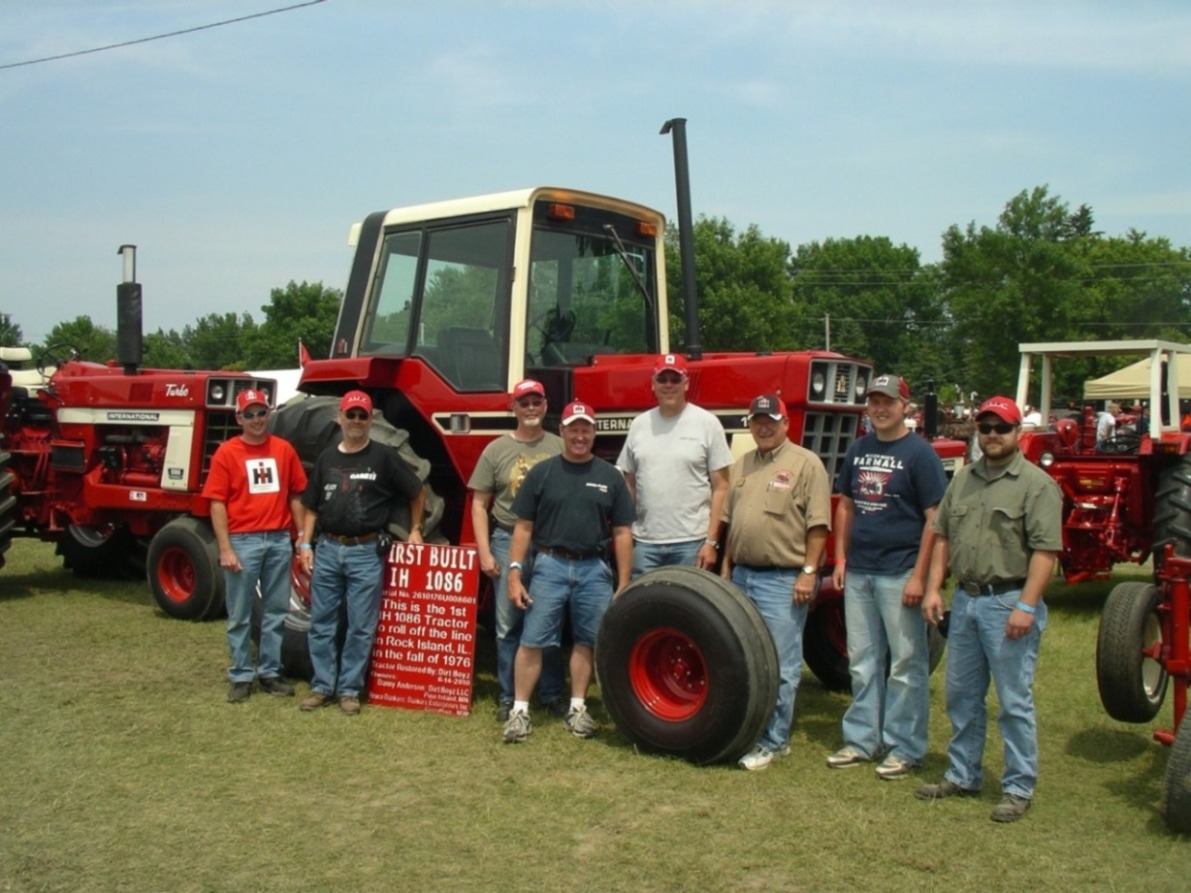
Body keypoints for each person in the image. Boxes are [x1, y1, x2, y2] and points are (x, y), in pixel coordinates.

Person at [917, 396, 1062, 823]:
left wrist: (1026, 605)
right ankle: (963, 774)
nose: (993, 436)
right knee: (962, 695)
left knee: (1013, 701)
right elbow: (942, 535)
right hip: (966, 600)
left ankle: (1018, 787)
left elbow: (1045, 552)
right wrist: (933, 589)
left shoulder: (1036, 485)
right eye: (986, 428)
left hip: (1008, 602)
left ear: (1019, 433)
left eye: (1001, 428)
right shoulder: (963, 480)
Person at [827, 375, 948, 779]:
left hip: (899, 572)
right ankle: (862, 739)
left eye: (888, 402)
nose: (880, 409)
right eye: (874, 402)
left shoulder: (920, 455)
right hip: (859, 571)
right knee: (861, 662)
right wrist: (841, 560)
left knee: (905, 664)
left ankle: (905, 746)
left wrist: (920, 577)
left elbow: (935, 520)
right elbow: (846, 505)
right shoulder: (859, 449)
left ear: (905, 408)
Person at [502, 400, 634, 744]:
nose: (579, 435)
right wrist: (515, 572)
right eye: (573, 429)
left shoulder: (610, 477)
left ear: (594, 432)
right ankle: (519, 712)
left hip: (594, 570)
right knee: (532, 639)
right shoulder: (542, 473)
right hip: (549, 566)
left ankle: (577, 707)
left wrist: (623, 580)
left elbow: (622, 533)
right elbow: (523, 529)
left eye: (585, 429)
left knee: (587, 641)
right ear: (561, 431)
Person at [298, 391, 426, 716]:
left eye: (362, 416)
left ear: (371, 420)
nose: (356, 421)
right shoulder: (327, 459)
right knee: (321, 622)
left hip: (365, 551)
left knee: (360, 625)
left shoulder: (383, 456)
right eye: (350, 415)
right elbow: (311, 506)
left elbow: (416, 491)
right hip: (327, 549)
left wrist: (415, 530)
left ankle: (350, 689)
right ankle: (322, 686)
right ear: (339, 417)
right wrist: (304, 544)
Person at [721, 394, 831, 771]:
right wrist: (725, 569)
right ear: (750, 425)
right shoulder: (743, 465)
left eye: (771, 420)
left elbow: (818, 525)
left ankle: (774, 739)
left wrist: (809, 573)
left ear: (786, 423)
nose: (764, 427)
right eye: (757, 421)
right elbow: (729, 522)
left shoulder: (806, 464)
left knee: (781, 664)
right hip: (742, 575)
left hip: (782, 579)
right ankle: (750, 729)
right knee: (742, 658)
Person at [468, 379, 566, 722]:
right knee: (507, 624)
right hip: (507, 538)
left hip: (549, 543)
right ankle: (509, 696)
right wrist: (484, 552)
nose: (530, 408)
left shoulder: (559, 446)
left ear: (545, 404)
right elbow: (479, 504)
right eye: (523, 402)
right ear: (513, 408)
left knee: (548, 619)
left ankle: (552, 693)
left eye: (536, 401)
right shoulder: (495, 451)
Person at [202, 389, 308, 703]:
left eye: (261, 412)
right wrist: (225, 548)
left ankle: (270, 673)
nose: (256, 419)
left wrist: (301, 535)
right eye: (249, 414)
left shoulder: (283, 450)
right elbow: (217, 503)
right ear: (239, 418)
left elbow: (296, 494)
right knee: (240, 613)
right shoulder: (227, 453)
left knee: (276, 611)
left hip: (277, 539)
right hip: (243, 540)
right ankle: (240, 674)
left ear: (269, 414)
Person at [616, 353, 733, 574]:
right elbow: (629, 483)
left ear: (686, 383)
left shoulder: (707, 423)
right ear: (653, 383)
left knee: (690, 608)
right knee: (644, 606)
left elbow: (722, 487)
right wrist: (627, 534)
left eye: (675, 379)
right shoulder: (639, 425)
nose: (668, 385)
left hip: (692, 543)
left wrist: (711, 542)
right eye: (662, 379)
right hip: (645, 544)